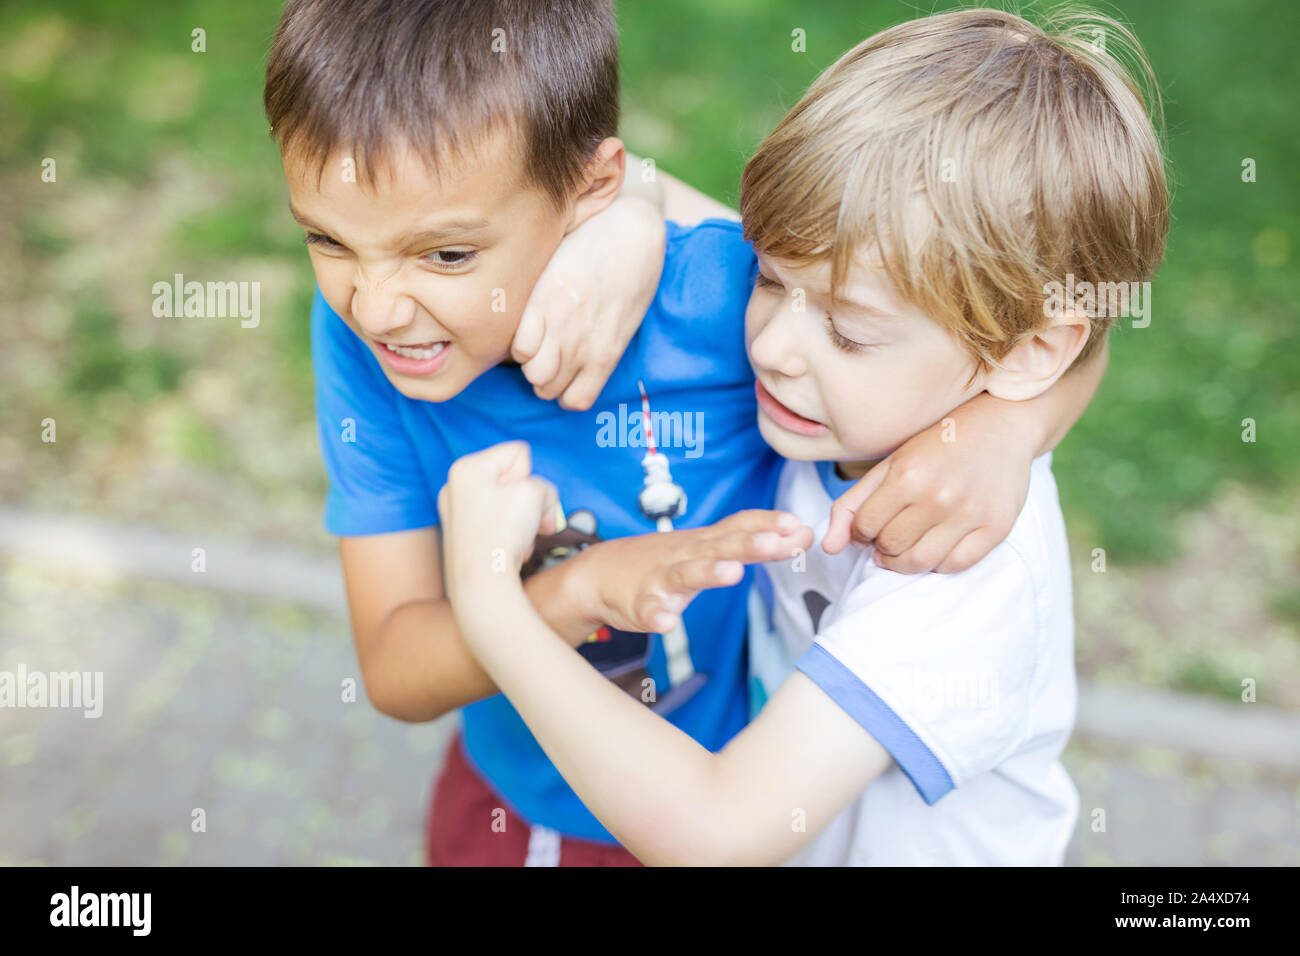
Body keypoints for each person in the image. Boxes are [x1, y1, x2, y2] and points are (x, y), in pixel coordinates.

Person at [265, 0, 1104, 865]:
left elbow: (1041, 330)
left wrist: (1013, 425)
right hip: (520, 804)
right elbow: (396, 668)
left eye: (445, 256)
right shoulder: (368, 340)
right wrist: (572, 593)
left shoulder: (746, 312)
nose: (376, 305)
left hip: (694, 803)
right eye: (326, 241)